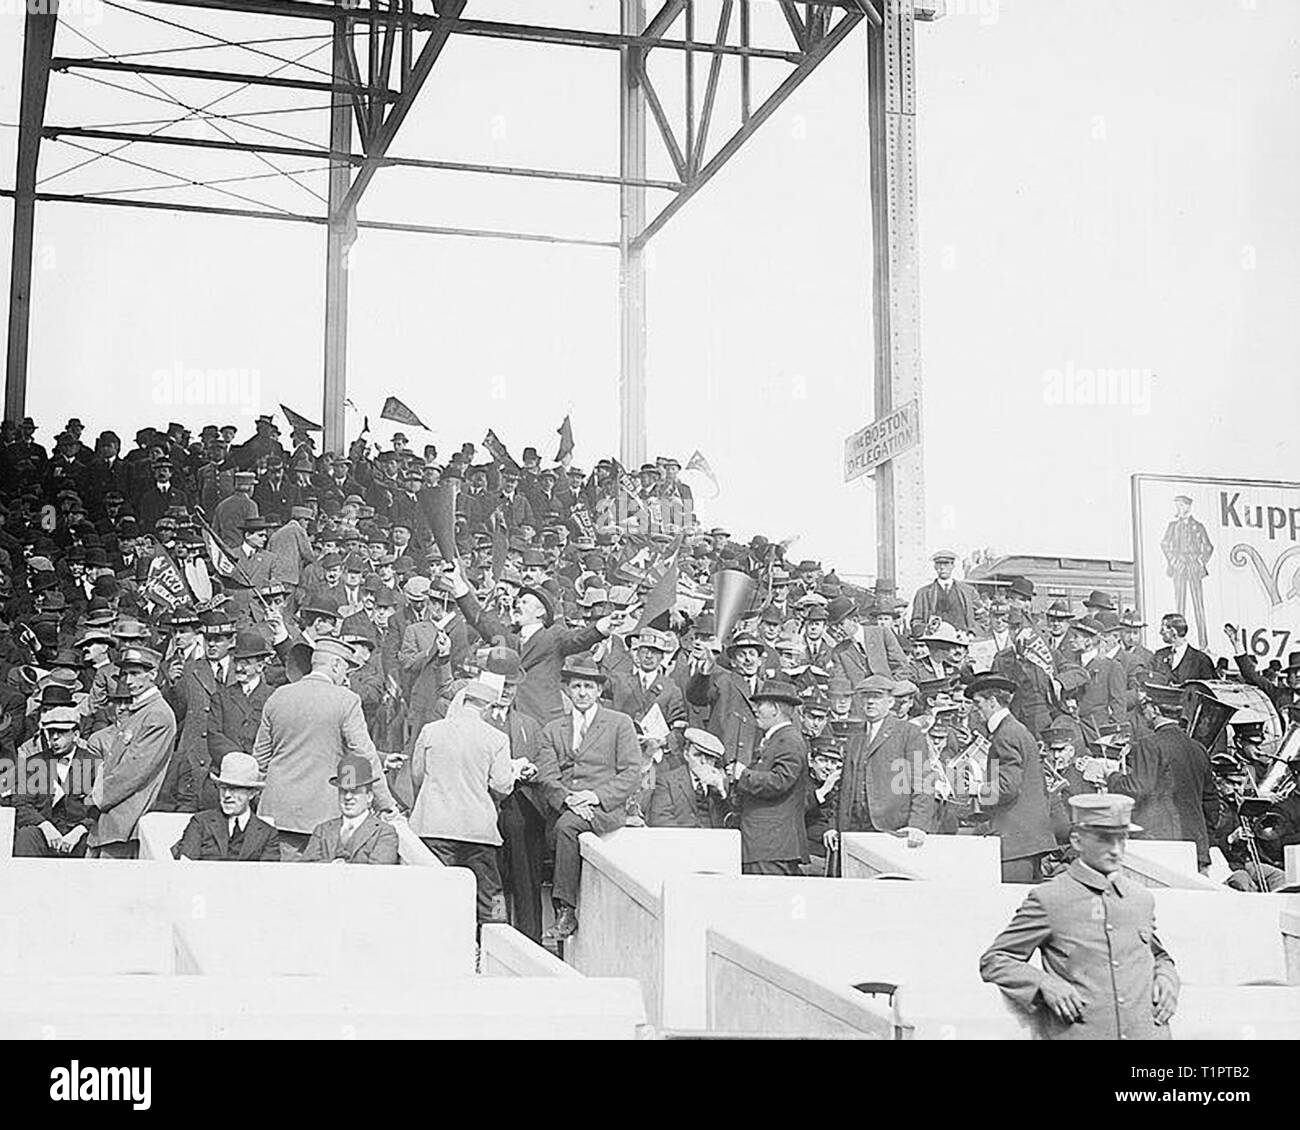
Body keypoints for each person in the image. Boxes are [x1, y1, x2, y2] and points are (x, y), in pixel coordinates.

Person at [979, 793, 1179, 1040]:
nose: (1116, 850)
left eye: (1122, 839)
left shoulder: (1140, 899)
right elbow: (996, 959)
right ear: (1077, 840)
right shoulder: (1050, 899)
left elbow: (1158, 956)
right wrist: (1044, 983)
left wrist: (1168, 978)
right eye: (1105, 840)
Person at [253, 637, 401, 861]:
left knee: (279, 886)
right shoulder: (346, 700)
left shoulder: (278, 696)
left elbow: (260, 760)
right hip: (321, 818)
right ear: (335, 665)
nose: (346, 678)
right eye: (346, 671)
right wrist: (385, 803)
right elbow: (364, 755)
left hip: (275, 813)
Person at [532, 657, 641, 940]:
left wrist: (594, 796)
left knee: (567, 827)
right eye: (577, 686)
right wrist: (569, 800)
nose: (582, 692)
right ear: (567, 689)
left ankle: (565, 910)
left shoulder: (619, 723)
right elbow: (546, 775)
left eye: (588, 686)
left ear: (599, 691)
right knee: (560, 825)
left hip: (603, 808)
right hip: (566, 807)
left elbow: (631, 773)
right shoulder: (553, 729)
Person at [408, 678, 517, 926]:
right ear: (488, 708)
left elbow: (417, 775)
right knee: (492, 896)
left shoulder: (431, 731)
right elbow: (502, 785)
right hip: (479, 831)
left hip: (433, 827)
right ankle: (498, 933)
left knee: (433, 896)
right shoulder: (497, 738)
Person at [1108, 692, 1219, 871]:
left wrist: (1112, 777)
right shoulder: (1199, 748)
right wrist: (1205, 839)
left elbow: (1137, 787)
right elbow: (1212, 803)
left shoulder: (1150, 745)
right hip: (1196, 846)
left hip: (1161, 845)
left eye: (1145, 709)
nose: (1144, 715)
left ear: (1155, 710)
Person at [965, 671, 1055, 883]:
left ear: (993, 702)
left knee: (1010, 906)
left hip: (1015, 841)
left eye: (978, 704)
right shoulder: (1016, 730)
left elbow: (1007, 788)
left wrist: (975, 789)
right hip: (1028, 838)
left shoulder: (1006, 734)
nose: (975, 711)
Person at [88, 645, 178, 859]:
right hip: (113, 818)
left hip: (126, 821)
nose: (128, 681)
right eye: (125, 674)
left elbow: (133, 771)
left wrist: (97, 798)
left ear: (153, 674)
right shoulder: (140, 711)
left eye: (135, 673)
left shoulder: (158, 714)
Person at [831, 675, 931, 859]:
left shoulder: (908, 733)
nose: (870, 701)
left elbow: (922, 780)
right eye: (865, 696)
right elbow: (843, 785)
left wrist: (918, 824)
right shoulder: (855, 735)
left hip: (892, 828)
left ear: (890, 701)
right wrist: (833, 826)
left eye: (876, 696)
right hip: (853, 828)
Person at [725, 678, 809, 875]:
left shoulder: (789, 740)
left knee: (768, 902)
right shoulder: (777, 739)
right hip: (765, 845)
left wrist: (742, 775)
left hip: (771, 846)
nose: (756, 709)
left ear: (776, 709)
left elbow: (779, 782)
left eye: (761, 704)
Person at [5, 705, 98, 857]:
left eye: (61, 732)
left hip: (79, 834)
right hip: (44, 832)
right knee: (26, 835)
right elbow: (21, 803)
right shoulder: (33, 764)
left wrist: (80, 830)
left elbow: (99, 806)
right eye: (51, 732)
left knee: (93, 840)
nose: (54, 737)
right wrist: (45, 826)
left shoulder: (93, 764)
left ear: (75, 735)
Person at [172, 751, 280, 862]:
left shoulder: (267, 834)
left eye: (235, 788)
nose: (227, 795)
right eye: (223, 787)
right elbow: (184, 869)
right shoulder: (201, 823)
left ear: (252, 793)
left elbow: (268, 876)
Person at [301, 754, 400, 864]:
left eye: (355, 791)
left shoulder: (383, 832)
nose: (348, 797)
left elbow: (379, 872)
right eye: (343, 791)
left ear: (369, 796)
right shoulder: (322, 831)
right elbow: (307, 868)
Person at [647, 726, 730, 829]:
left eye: (709, 758)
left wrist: (721, 790)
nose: (703, 762)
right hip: (680, 841)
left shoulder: (722, 785)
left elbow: (731, 822)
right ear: (686, 755)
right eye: (697, 755)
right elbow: (660, 820)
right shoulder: (667, 782)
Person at [1161, 494, 1213, 650]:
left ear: (1188, 507)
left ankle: (1204, 644)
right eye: (1177, 506)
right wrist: (1174, 560)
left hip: (1193, 566)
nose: (1179, 509)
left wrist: (1199, 561)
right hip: (1179, 567)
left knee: (1198, 605)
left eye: (1181, 506)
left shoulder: (1198, 526)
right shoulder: (1173, 526)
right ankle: (1177, 644)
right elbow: (1164, 544)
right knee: (1179, 607)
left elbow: (1208, 547)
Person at [910, 549, 981, 636]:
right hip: (934, 644)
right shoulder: (923, 593)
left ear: (953, 565)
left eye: (946, 563)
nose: (942, 567)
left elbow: (981, 617)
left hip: (962, 643)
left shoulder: (968, 591)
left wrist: (972, 633)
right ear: (935, 567)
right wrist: (927, 631)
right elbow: (916, 621)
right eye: (939, 564)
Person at [1150, 613, 1215, 685]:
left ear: (1173, 631)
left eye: (1163, 629)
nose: (1160, 632)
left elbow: (1209, 692)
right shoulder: (1159, 656)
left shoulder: (1201, 660)